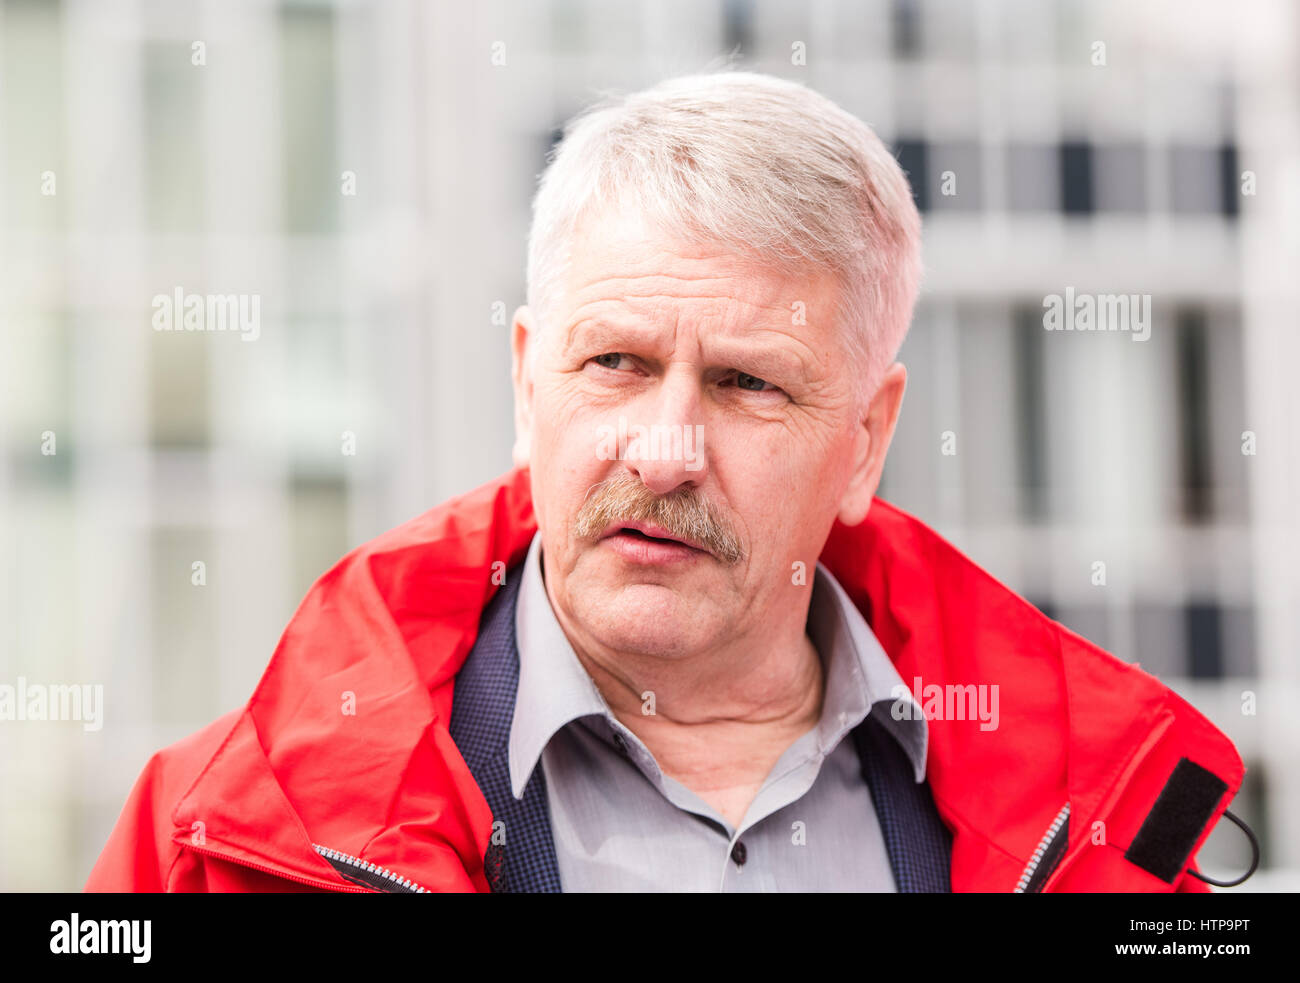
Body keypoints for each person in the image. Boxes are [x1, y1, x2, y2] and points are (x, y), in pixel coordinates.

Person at [85, 71, 1245, 893]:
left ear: (865, 440)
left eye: (746, 383)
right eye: (615, 363)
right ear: (527, 381)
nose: (665, 447)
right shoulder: (216, 833)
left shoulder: (1101, 819)